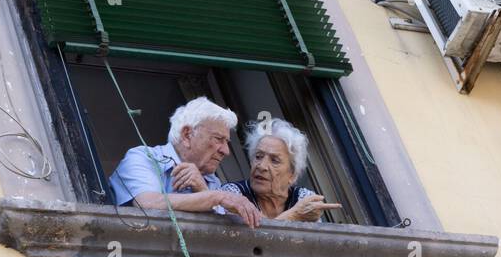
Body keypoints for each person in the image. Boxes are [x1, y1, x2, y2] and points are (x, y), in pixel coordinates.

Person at [108, 97, 262, 227]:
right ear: (187, 135)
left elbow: (216, 235)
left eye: (226, 142)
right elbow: (148, 204)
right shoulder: (143, 157)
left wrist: (203, 190)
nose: (225, 151)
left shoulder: (210, 181)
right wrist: (215, 197)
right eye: (218, 139)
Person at [221, 117, 342, 221]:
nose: (262, 166)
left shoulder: (302, 198)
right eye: (258, 156)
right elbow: (253, 242)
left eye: (274, 160)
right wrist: (294, 215)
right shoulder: (233, 194)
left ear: (292, 175)